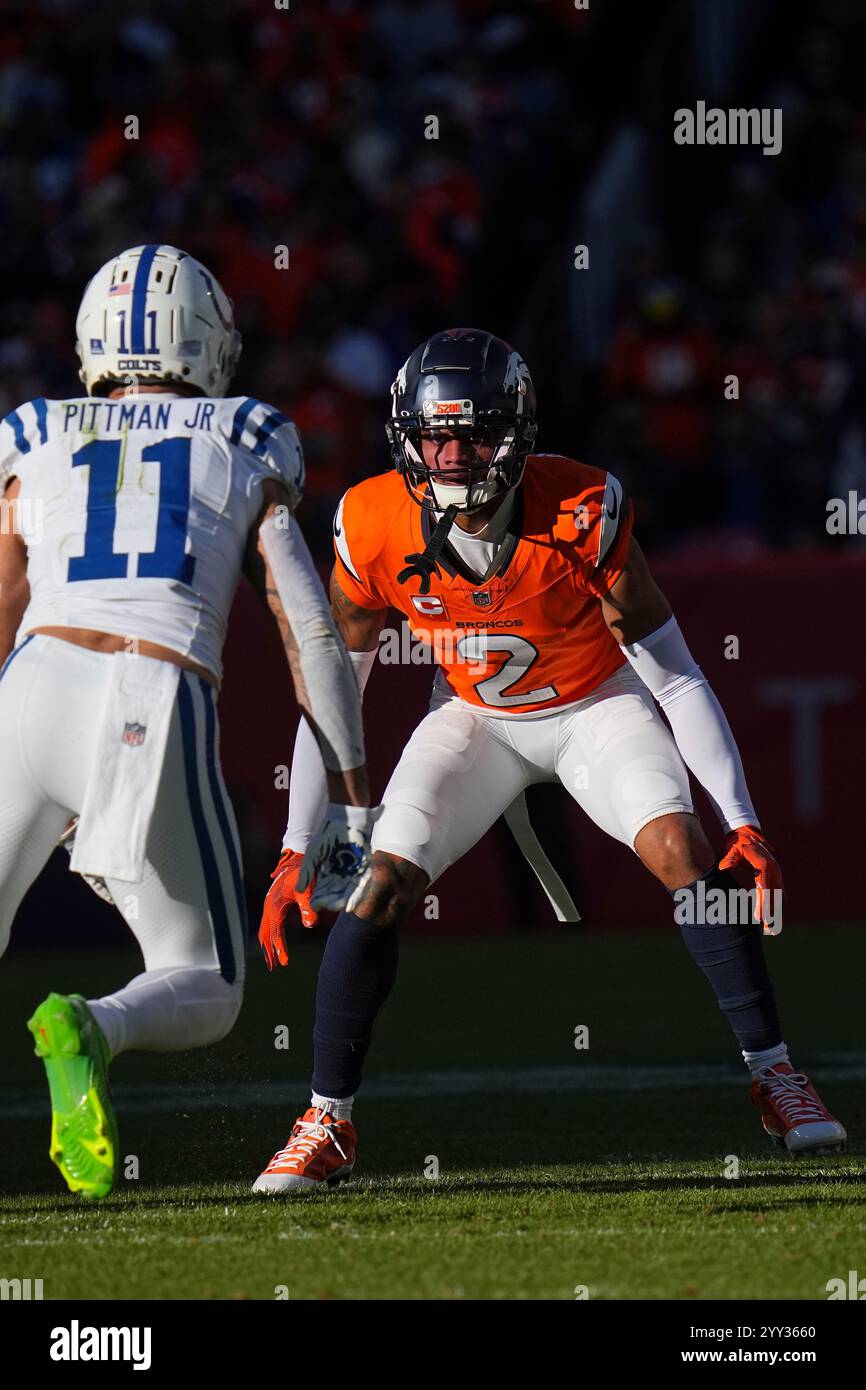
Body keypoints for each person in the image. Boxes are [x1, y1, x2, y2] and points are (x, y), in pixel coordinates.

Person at [254, 327, 846, 1193]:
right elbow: (331, 697)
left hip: (595, 707)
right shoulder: (372, 519)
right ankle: (326, 1120)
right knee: (375, 885)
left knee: (684, 852)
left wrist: (742, 820)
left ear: (517, 435)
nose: (451, 456)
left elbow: (675, 678)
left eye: (472, 434)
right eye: (434, 436)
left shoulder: (582, 508)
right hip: (473, 718)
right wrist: (298, 844)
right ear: (405, 437)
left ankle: (776, 1073)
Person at [0, 243, 377, 1200]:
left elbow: (4, 598)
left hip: (29, 680)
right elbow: (313, 637)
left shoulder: (35, 430)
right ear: (210, 343)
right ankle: (92, 1026)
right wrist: (349, 796)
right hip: (144, 692)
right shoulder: (245, 433)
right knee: (205, 979)